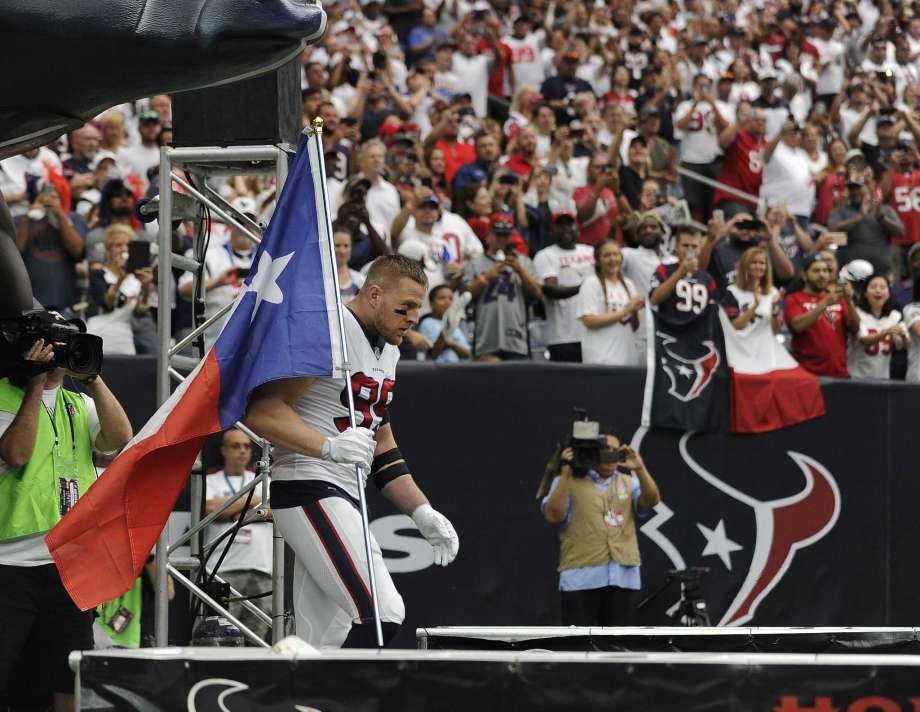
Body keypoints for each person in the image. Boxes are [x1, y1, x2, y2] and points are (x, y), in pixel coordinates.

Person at [243, 256, 459, 648]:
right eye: (404, 307)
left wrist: (421, 510)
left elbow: (383, 443)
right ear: (374, 294)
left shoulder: (388, 348)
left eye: (417, 308)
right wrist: (326, 446)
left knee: (324, 640)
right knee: (382, 614)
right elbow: (263, 411)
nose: (412, 318)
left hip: (344, 490)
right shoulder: (329, 330)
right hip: (307, 482)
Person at [0, 333, 133, 712]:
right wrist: (36, 383)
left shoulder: (80, 401)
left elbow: (120, 439)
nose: (60, 353)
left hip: (69, 561)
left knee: (67, 672)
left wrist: (92, 375)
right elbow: (18, 453)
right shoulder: (3, 396)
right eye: (52, 346)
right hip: (9, 564)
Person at [540, 433, 660, 626]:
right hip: (581, 577)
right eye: (606, 450)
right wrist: (564, 475)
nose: (612, 455)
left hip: (622, 576)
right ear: (593, 453)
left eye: (616, 450)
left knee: (616, 649)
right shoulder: (569, 481)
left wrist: (640, 468)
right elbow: (553, 515)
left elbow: (652, 500)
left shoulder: (629, 482)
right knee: (577, 648)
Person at [205, 428, 274, 642]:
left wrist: (235, 512)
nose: (243, 451)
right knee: (219, 636)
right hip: (223, 568)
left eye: (247, 446)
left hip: (262, 568)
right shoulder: (211, 480)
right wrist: (255, 501)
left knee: (257, 638)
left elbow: (275, 512)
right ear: (224, 450)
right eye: (236, 446)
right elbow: (211, 511)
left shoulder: (267, 480)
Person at [464, 214, 543, 360]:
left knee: (516, 382)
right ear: (489, 236)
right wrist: (486, 278)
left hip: (517, 338)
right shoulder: (475, 263)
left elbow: (538, 293)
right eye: (498, 234)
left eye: (506, 235)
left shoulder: (524, 262)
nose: (502, 239)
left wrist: (520, 271)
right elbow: (465, 296)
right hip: (485, 337)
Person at [14, 182, 86, 315]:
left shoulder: (74, 218)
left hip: (64, 304)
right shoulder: (20, 220)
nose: (49, 201)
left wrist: (59, 214)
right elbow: (14, 253)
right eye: (44, 197)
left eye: (54, 197)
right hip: (29, 304)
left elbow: (77, 250)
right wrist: (29, 218)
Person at [784, 253, 860, 378]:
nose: (822, 274)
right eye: (816, 271)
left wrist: (849, 302)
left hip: (839, 372)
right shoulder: (794, 299)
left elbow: (855, 328)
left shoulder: (838, 299)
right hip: (808, 374)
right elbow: (797, 326)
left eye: (825, 270)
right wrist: (825, 303)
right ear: (804, 275)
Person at [533, 212, 596, 362]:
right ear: (552, 231)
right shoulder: (545, 255)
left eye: (570, 224)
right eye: (560, 225)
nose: (566, 229)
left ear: (578, 228)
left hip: (593, 332)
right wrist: (584, 288)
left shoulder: (590, 251)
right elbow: (551, 290)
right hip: (563, 337)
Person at [86, 225, 154, 355]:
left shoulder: (136, 280)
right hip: (97, 337)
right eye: (118, 245)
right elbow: (107, 304)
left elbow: (140, 313)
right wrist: (120, 279)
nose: (123, 249)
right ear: (108, 250)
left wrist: (146, 287)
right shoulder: (99, 274)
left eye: (127, 245)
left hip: (124, 340)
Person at [576, 239, 644, 366]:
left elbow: (634, 326)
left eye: (616, 254)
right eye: (607, 255)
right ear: (598, 260)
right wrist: (625, 311)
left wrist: (635, 310)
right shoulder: (591, 283)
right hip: (601, 359)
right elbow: (589, 321)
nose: (612, 259)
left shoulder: (628, 284)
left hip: (628, 358)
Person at [649, 225, 717, 325]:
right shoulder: (664, 269)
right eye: (685, 245)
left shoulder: (707, 279)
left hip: (697, 335)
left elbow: (712, 312)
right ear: (676, 246)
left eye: (694, 246)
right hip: (671, 333)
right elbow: (654, 299)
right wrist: (679, 273)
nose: (690, 250)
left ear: (700, 249)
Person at [848, 274, 908, 380]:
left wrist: (903, 336)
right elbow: (864, 339)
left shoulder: (895, 316)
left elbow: (904, 345)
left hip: (882, 378)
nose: (878, 290)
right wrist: (886, 332)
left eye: (883, 287)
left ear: (888, 294)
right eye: (873, 287)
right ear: (865, 293)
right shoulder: (857, 314)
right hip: (857, 377)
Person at [720, 246, 783, 335]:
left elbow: (775, 332)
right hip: (740, 345)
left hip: (765, 345)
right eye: (753, 262)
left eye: (762, 263)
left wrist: (774, 308)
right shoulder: (732, 291)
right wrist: (755, 305)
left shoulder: (773, 292)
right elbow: (734, 327)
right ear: (745, 265)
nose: (758, 266)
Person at [416, 285, 472, 363]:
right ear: (432, 304)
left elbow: (469, 354)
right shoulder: (427, 323)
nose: (447, 301)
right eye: (442, 298)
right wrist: (450, 341)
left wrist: (450, 343)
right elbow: (433, 353)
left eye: (451, 299)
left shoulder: (456, 325)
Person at [334, 224, 365, 301]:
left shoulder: (360, 280)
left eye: (346, 246)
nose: (342, 251)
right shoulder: (321, 281)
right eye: (337, 246)